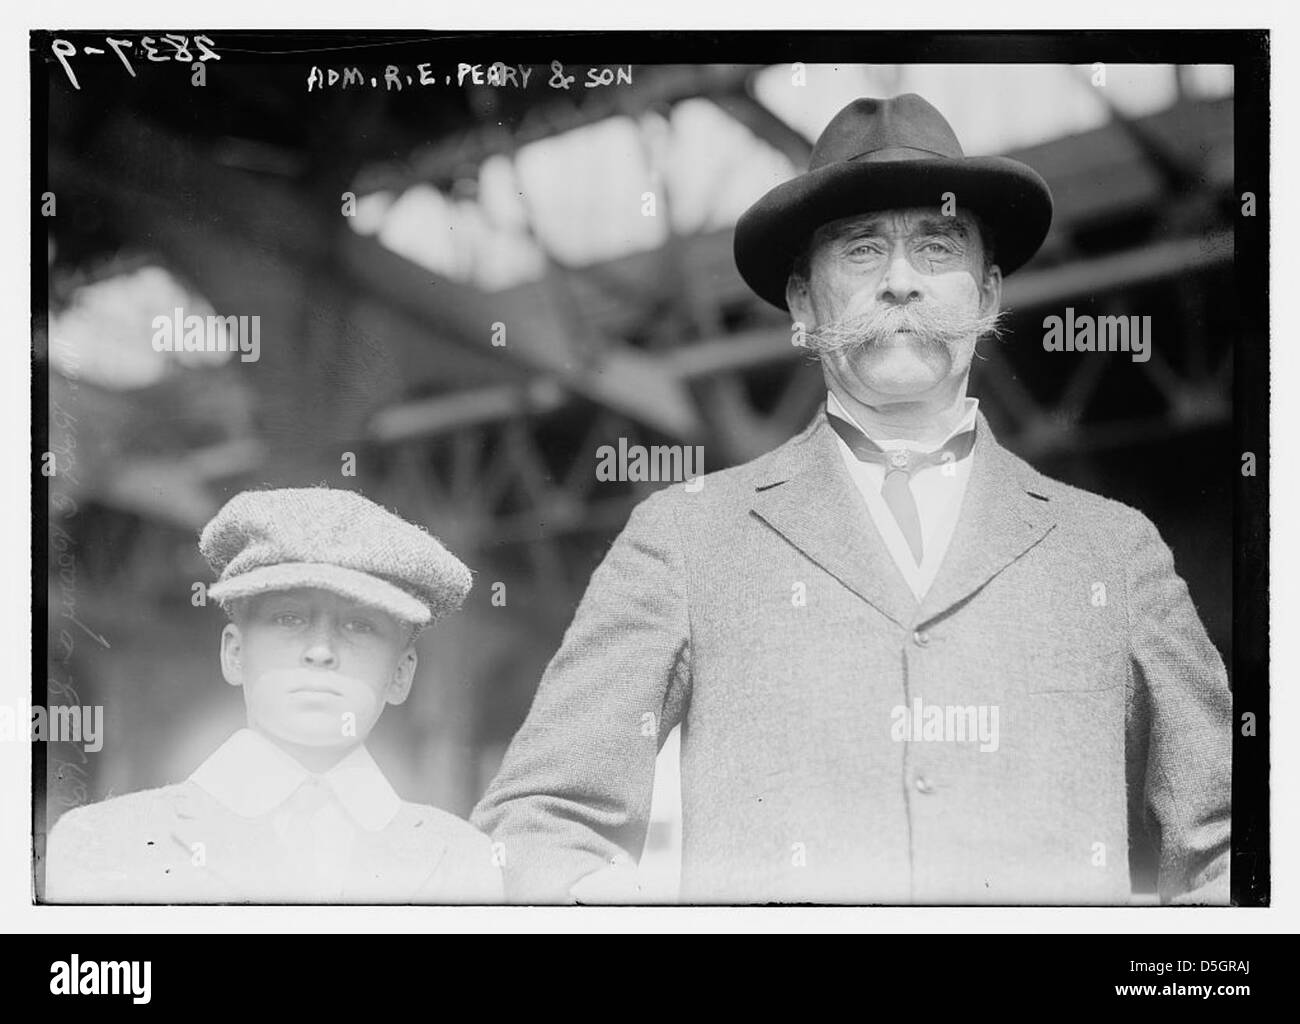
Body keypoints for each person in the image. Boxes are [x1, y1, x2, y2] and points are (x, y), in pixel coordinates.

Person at [472, 94, 1232, 905]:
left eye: (937, 246)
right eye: (862, 251)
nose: (900, 281)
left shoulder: (1113, 552)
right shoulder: (685, 537)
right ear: (804, 304)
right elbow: (538, 823)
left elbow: (1229, 847)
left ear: (988, 295)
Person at [45, 487, 502, 904]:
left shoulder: (463, 863)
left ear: (401, 675)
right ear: (235, 654)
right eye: (288, 619)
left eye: (359, 626)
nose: (321, 651)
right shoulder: (102, 846)